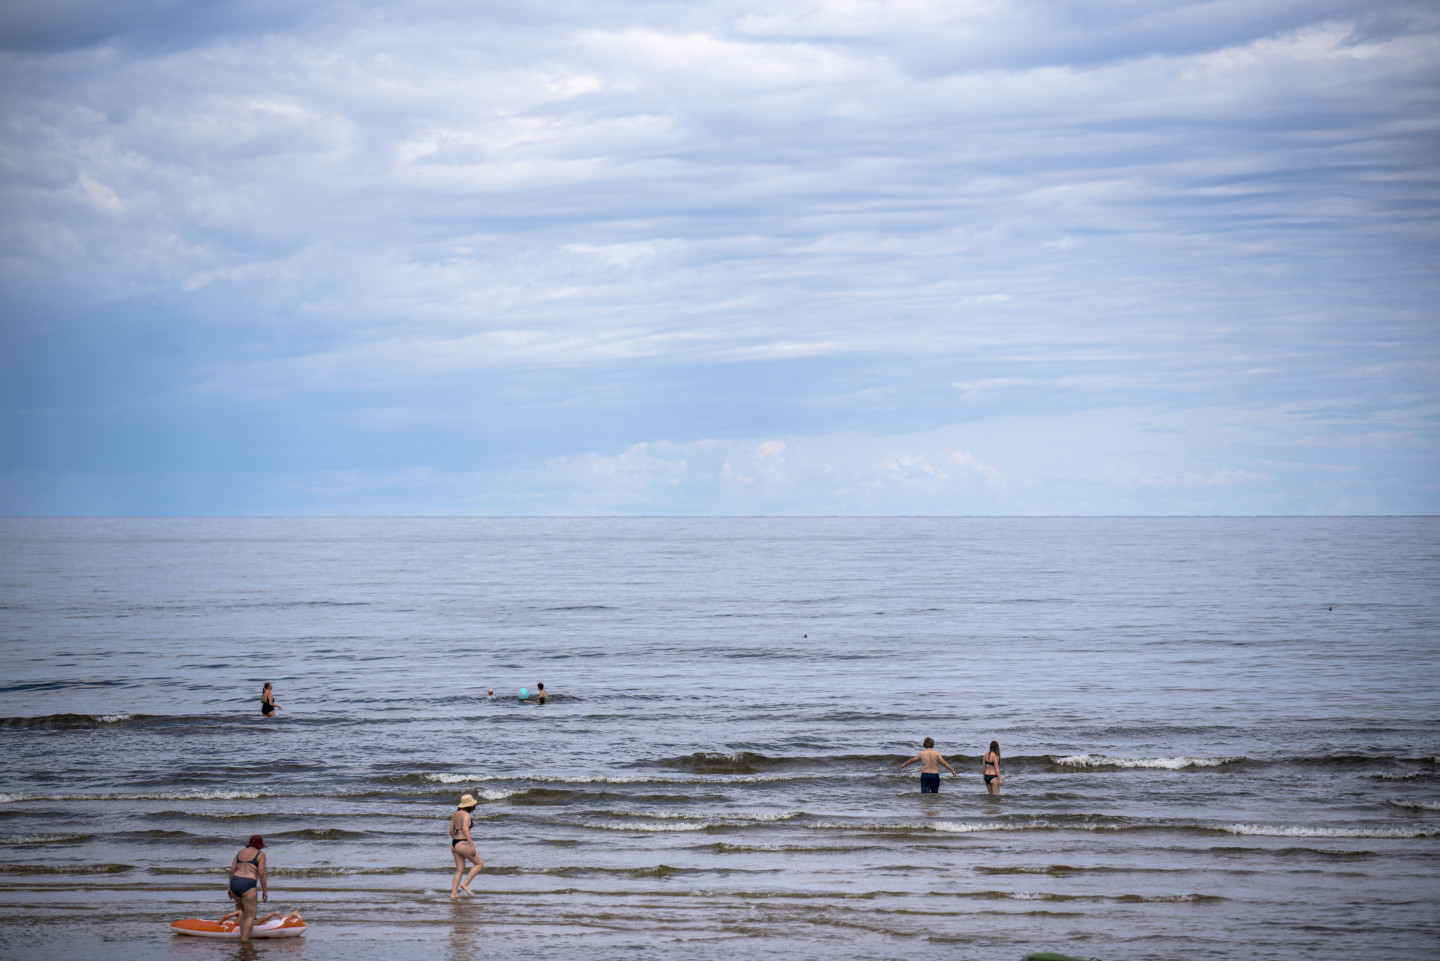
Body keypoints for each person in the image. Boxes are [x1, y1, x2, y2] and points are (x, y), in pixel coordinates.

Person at [226, 835, 268, 941]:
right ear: (260, 845)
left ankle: (242, 937)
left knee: (244, 912)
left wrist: (230, 888)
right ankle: (244, 942)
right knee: (250, 915)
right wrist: (264, 891)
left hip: (235, 883)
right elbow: (262, 874)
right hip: (248, 884)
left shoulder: (240, 852)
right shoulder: (260, 854)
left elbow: (232, 871)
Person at [449, 794, 484, 898]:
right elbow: (465, 830)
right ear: (470, 805)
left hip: (454, 844)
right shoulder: (467, 815)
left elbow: (451, 830)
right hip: (462, 843)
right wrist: (472, 846)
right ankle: (465, 884)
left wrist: (456, 840)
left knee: (460, 869)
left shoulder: (455, 814)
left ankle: (454, 894)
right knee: (479, 863)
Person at [219, 908, 302, 927]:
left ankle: (273, 913)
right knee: (270, 922)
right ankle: (292, 914)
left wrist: (220, 922)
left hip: (251, 923)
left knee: (257, 922)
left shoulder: (239, 911)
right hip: (252, 919)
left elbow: (227, 916)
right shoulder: (245, 910)